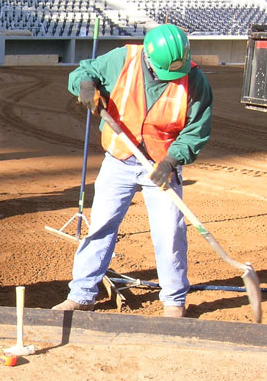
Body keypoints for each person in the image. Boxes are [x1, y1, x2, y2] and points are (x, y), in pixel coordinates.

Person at [52, 24, 213, 318]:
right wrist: (86, 86)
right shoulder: (123, 60)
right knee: (101, 227)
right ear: (149, 58)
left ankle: (174, 301)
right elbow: (83, 71)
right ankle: (82, 294)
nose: (172, 79)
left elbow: (196, 129)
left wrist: (171, 161)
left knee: (170, 233)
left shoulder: (194, 78)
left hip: (161, 166)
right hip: (119, 160)